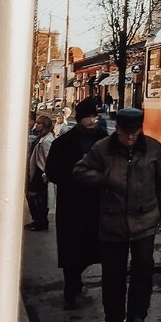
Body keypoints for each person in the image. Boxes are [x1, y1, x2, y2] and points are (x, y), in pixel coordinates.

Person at [73, 106, 161, 322]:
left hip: (145, 220)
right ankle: (112, 321)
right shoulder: (103, 149)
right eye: (125, 132)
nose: (130, 137)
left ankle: (137, 318)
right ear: (116, 129)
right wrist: (105, 178)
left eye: (134, 132)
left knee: (143, 270)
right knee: (113, 274)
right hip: (112, 222)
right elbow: (79, 171)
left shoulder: (152, 148)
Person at [45, 98, 109, 309]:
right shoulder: (63, 143)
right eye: (89, 117)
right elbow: (53, 171)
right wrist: (74, 179)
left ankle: (75, 282)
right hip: (72, 203)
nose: (93, 120)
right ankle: (70, 289)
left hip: (95, 202)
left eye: (95, 116)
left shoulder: (102, 138)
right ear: (80, 118)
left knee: (91, 246)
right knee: (72, 247)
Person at [26, 114, 55, 231]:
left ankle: (41, 221)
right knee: (35, 196)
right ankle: (37, 220)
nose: (36, 125)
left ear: (45, 126)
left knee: (36, 196)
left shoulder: (47, 140)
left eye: (39, 123)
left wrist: (46, 173)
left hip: (41, 172)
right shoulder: (41, 137)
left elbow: (49, 158)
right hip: (37, 170)